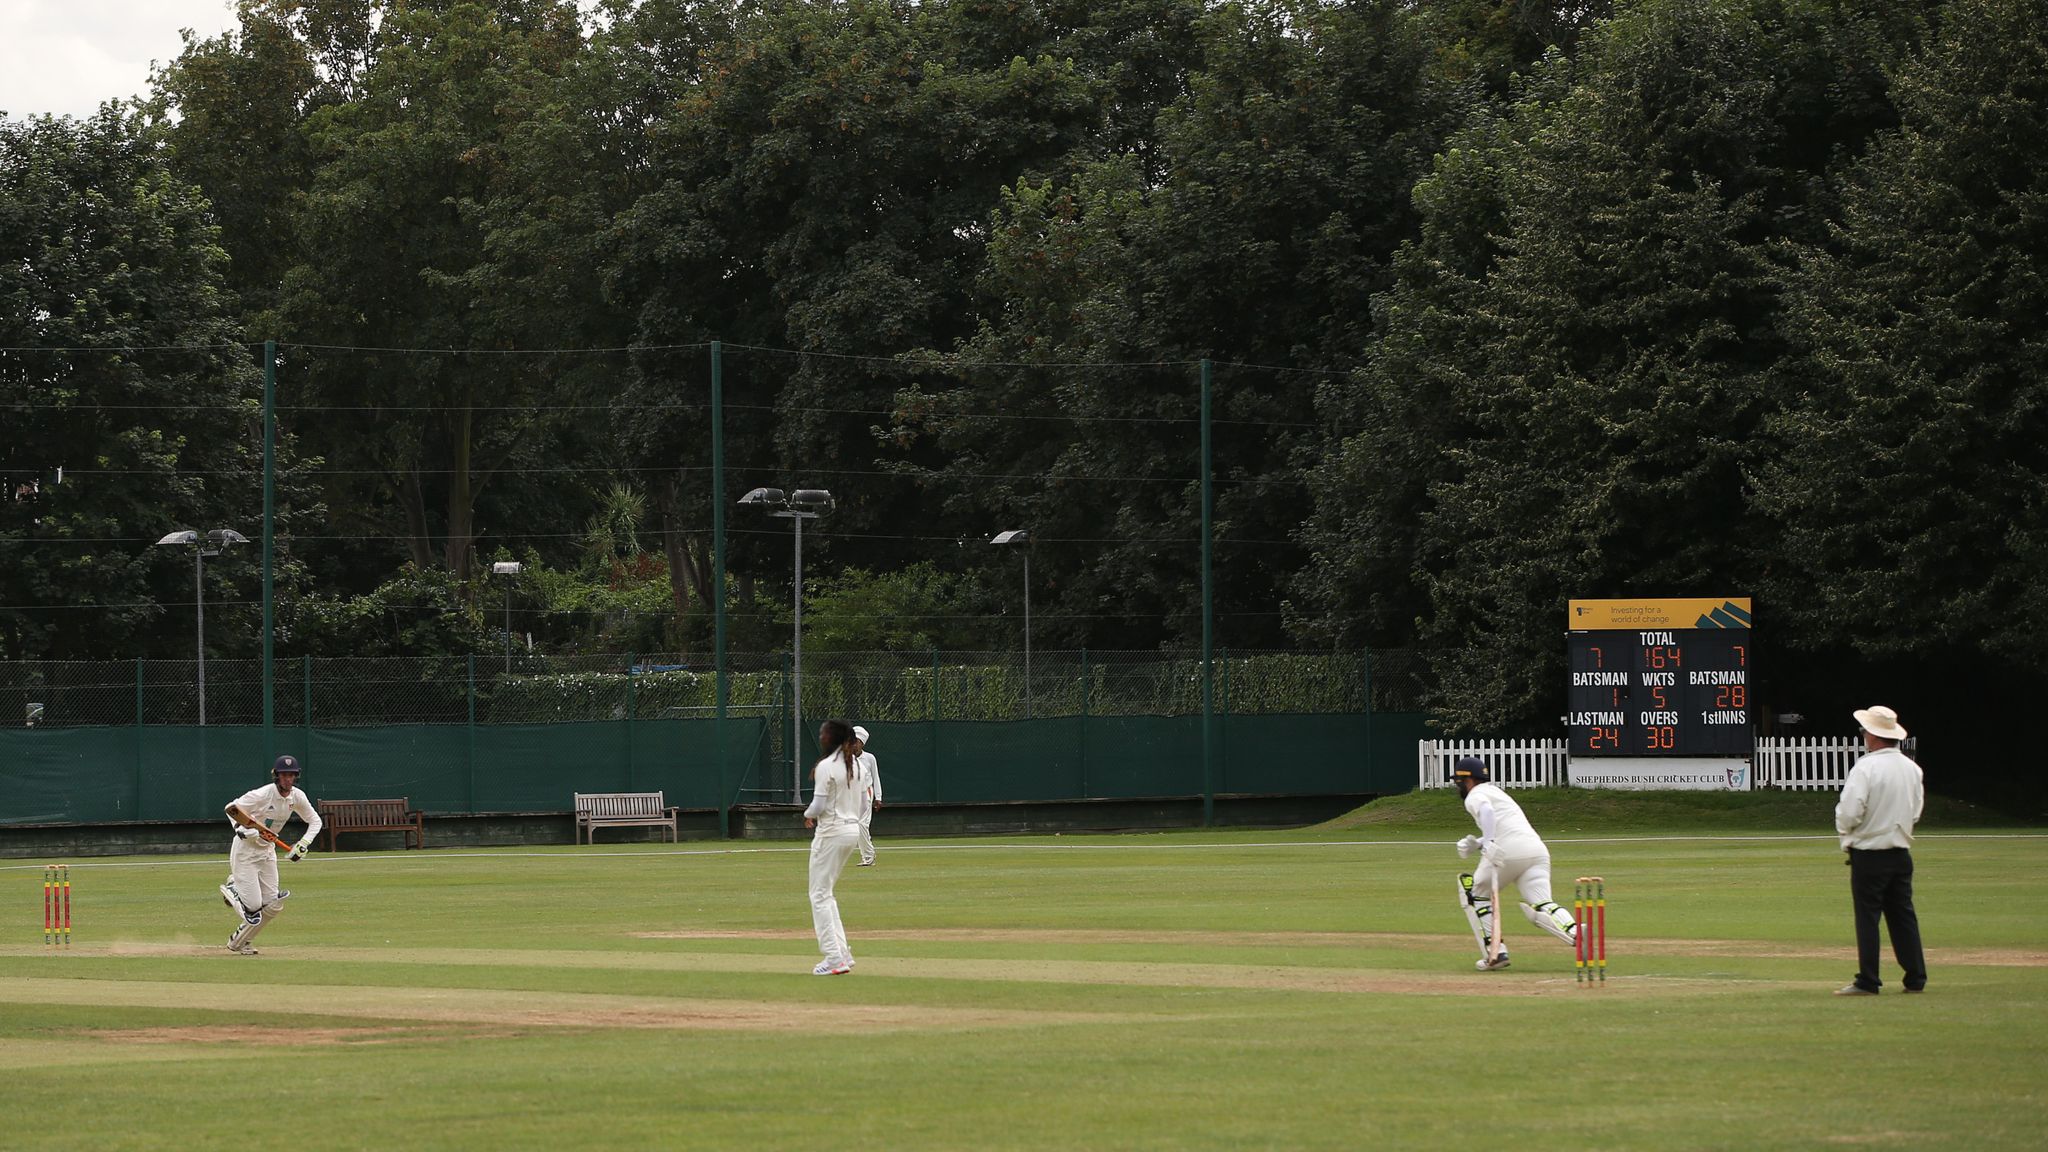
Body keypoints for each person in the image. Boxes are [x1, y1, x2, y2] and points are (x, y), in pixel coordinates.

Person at [1834, 705, 1927, 996]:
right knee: (1903, 915)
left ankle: (1868, 980)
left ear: (1873, 735)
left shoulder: (1866, 767)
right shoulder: (1912, 769)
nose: (1862, 735)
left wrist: (1848, 834)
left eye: (1863, 731)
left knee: (1868, 917)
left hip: (1869, 853)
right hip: (1900, 852)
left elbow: (1850, 811)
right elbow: (1915, 811)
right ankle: (1916, 977)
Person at [1451, 757, 1577, 970]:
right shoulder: (1497, 792)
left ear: (1468, 780)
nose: (1458, 786)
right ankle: (1575, 930)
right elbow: (1506, 825)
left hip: (1506, 852)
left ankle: (1495, 952)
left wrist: (1489, 842)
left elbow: (1487, 812)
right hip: (1536, 850)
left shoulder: (1476, 795)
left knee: (1475, 894)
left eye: (1459, 782)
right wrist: (1478, 844)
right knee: (1543, 902)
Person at [219, 754, 321, 956]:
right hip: (245, 852)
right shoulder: (263, 794)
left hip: (267, 852)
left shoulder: (297, 797)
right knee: (254, 906)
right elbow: (232, 809)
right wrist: (242, 829)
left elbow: (315, 821)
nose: (288, 780)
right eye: (284, 776)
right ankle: (232, 887)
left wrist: (302, 845)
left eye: (292, 776)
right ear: (277, 776)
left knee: (273, 905)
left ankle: (241, 942)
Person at [802, 718, 865, 975]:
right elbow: (862, 804)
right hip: (852, 831)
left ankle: (833, 958)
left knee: (818, 895)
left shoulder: (827, 766)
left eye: (824, 733)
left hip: (831, 833)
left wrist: (807, 814)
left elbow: (817, 806)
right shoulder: (858, 766)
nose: (821, 737)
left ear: (833, 738)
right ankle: (842, 953)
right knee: (826, 893)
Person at [853, 724, 881, 867]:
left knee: (861, 824)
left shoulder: (870, 758)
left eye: (856, 741)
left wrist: (879, 797)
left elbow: (876, 778)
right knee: (857, 826)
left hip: (866, 793)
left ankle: (869, 856)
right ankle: (867, 856)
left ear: (861, 743)